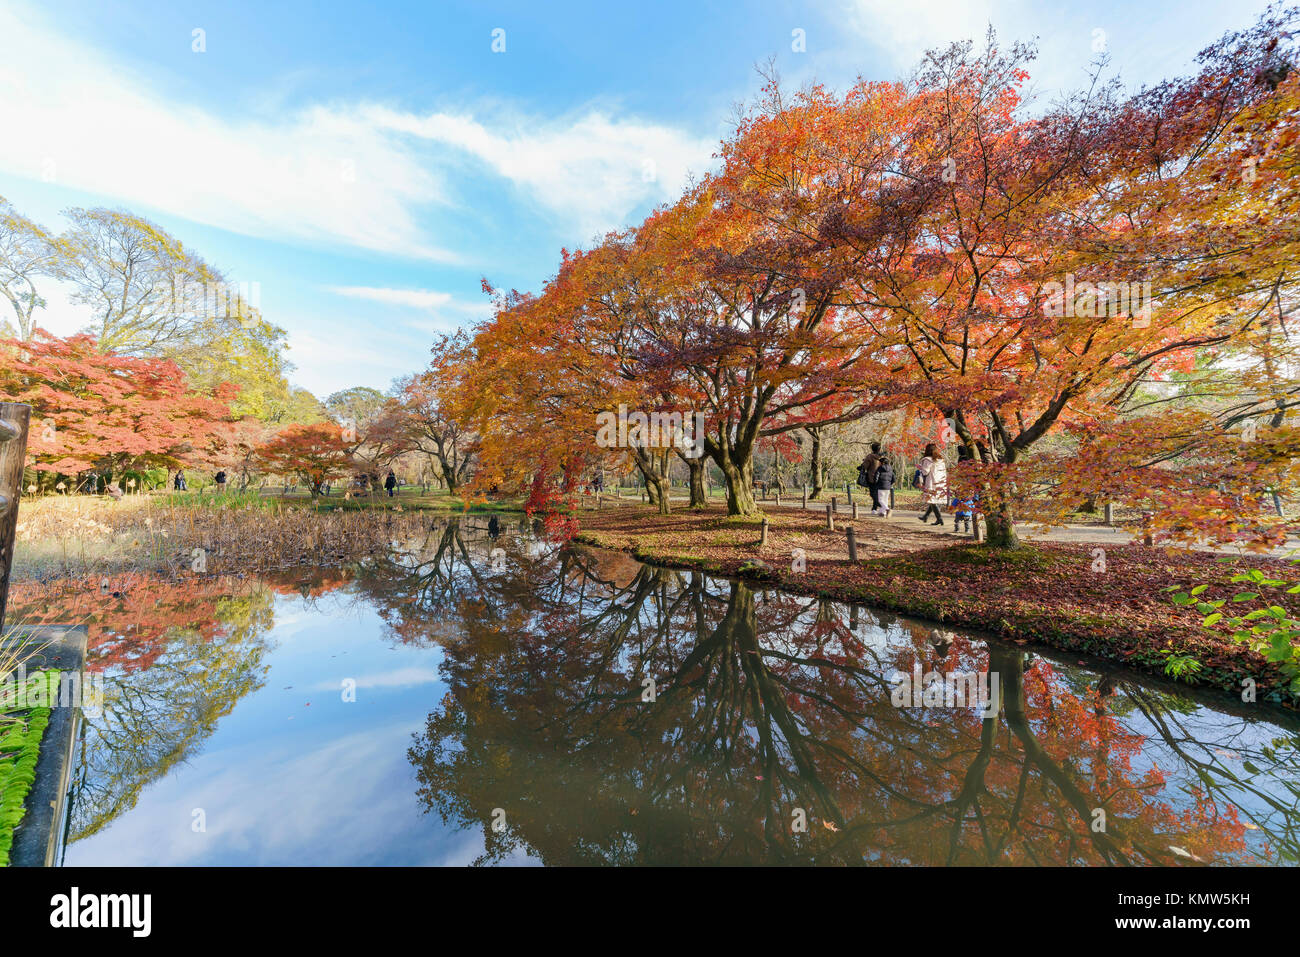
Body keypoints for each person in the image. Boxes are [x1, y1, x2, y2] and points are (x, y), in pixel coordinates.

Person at [917, 443, 948, 526]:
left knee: (932, 500)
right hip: (941, 482)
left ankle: (939, 518)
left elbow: (925, 471)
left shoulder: (927, 460)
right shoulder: (941, 459)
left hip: (932, 481)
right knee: (932, 500)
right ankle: (925, 516)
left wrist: (920, 468)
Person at [872, 450, 895, 517]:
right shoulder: (891, 469)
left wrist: (876, 483)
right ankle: (883, 513)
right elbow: (894, 478)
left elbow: (876, 476)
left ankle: (887, 509)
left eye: (879, 462)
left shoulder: (879, 468)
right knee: (885, 500)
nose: (878, 463)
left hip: (881, 486)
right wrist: (890, 484)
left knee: (880, 500)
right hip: (888, 487)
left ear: (881, 463)